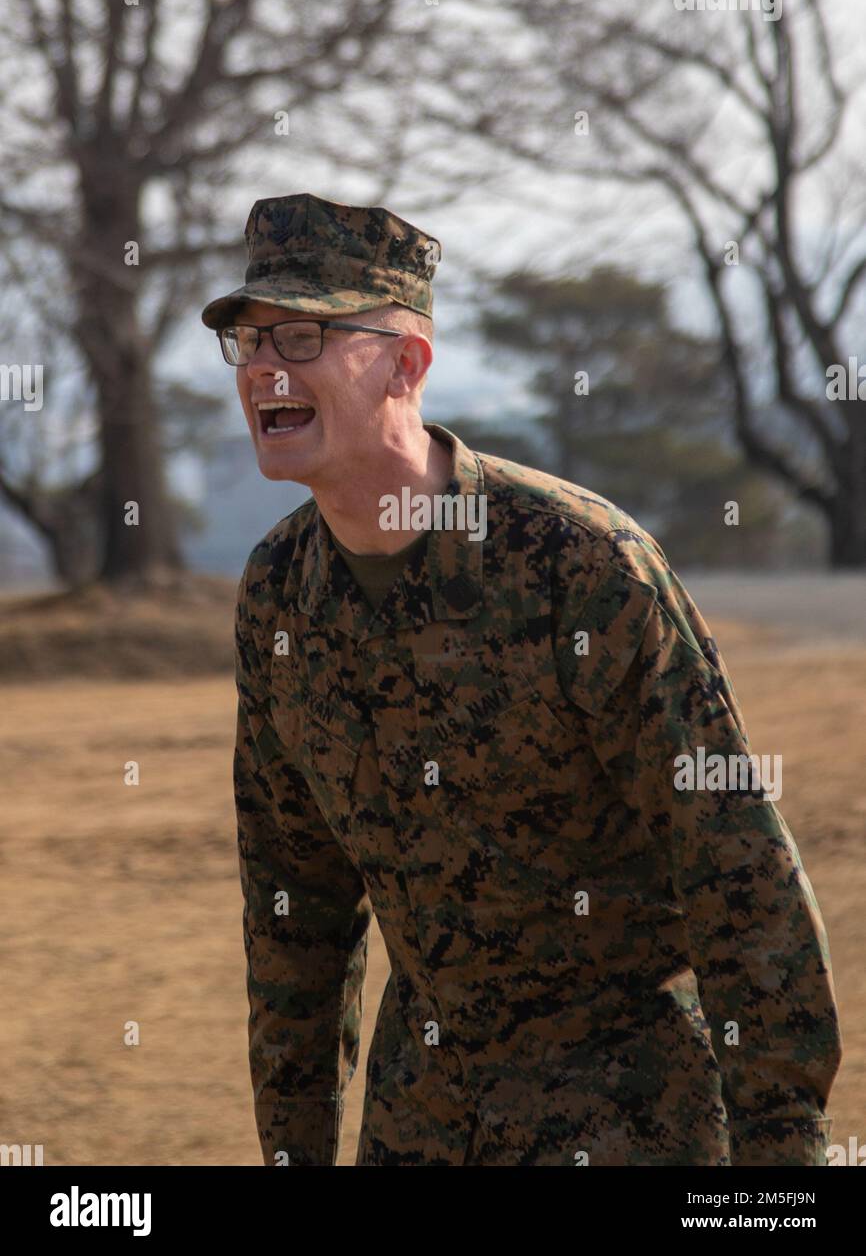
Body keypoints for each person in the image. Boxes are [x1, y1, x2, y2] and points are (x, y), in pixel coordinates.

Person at [201, 191, 842, 1166]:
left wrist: (780, 1155)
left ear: (406, 364)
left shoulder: (575, 561)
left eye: (301, 335)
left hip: (629, 1107)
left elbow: (732, 863)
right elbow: (294, 897)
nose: (263, 370)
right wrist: (294, 1149)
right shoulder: (280, 593)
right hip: (420, 1110)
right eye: (246, 343)